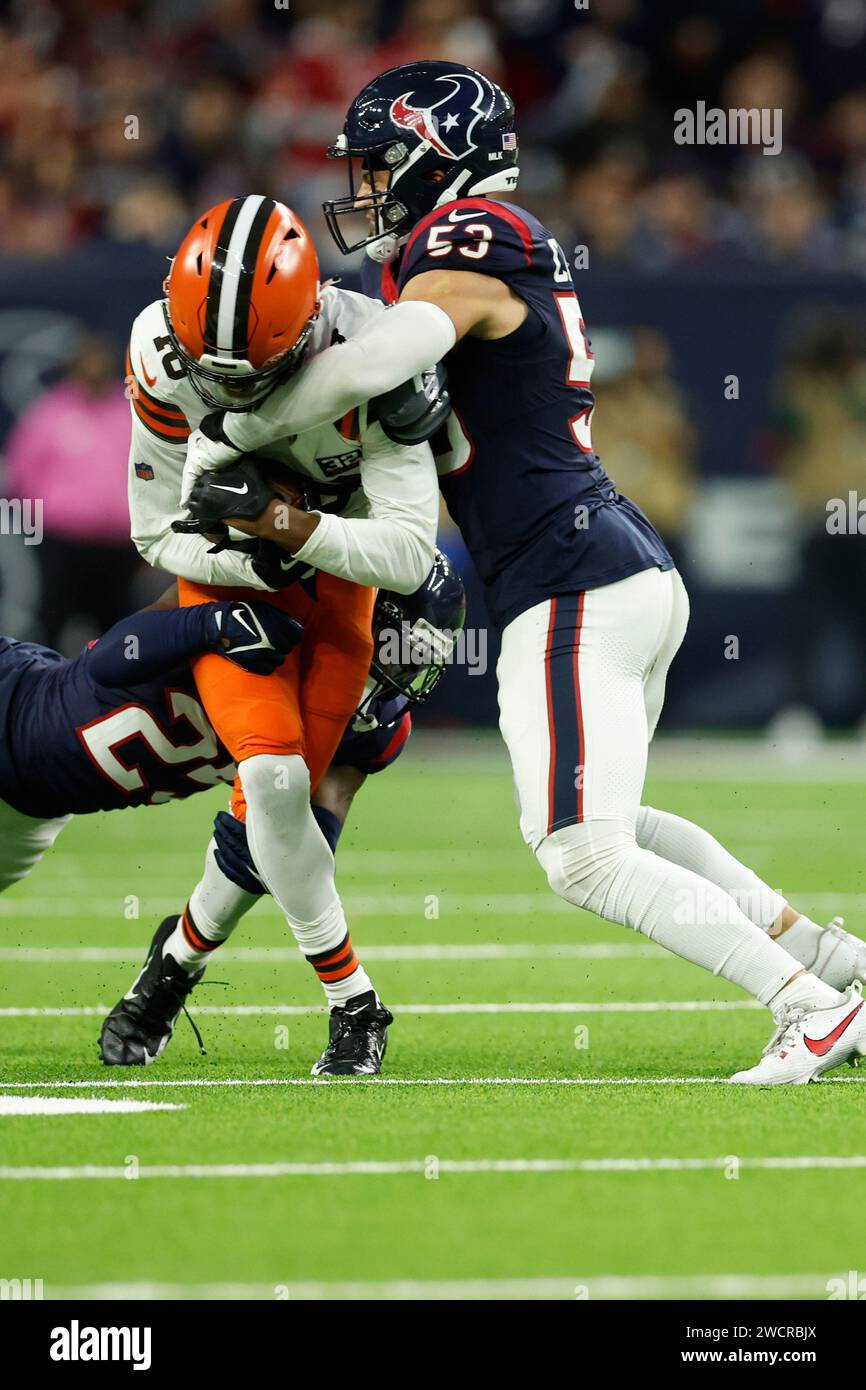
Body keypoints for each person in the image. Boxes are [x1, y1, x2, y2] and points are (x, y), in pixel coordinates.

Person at [179, 64, 866, 1086]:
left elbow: (381, 363)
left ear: (432, 156)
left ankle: (805, 1007)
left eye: (375, 163)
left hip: (572, 577)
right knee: (616, 824)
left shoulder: (467, 235)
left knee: (578, 851)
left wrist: (239, 421)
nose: (362, 186)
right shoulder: (452, 249)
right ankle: (835, 967)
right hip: (600, 567)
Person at [126, 196, 445, 1073]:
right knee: (270, 778)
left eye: (255, 376)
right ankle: (355, 1001)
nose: (231, 394)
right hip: (229, 582)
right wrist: (257, 565)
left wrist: (281, 525)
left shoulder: (374, 351)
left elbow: (412, 555)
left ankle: (174, 964)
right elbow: (156, 534)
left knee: (295, 808)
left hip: (344, 584)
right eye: (212, 376)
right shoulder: (159, 351)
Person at [0, 558, 466, 1070]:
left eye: (416, 657)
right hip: (13, 703)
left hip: (35, 816)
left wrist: (178, 961)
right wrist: (210, 625)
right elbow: (107, 661)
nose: (400, 673)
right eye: (397, 648)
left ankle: (172, 967)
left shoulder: (370, 725)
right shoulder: (254, 606)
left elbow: (280, 848)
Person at [4, 330, 138, 652]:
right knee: (53, 623)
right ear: (73, 365)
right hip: (62, 545)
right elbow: (20, 481)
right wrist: (35, 540)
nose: (95, 367)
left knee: (119, 629)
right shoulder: (48, 415)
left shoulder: (128, 415)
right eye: (88, 360)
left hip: (118, 547)